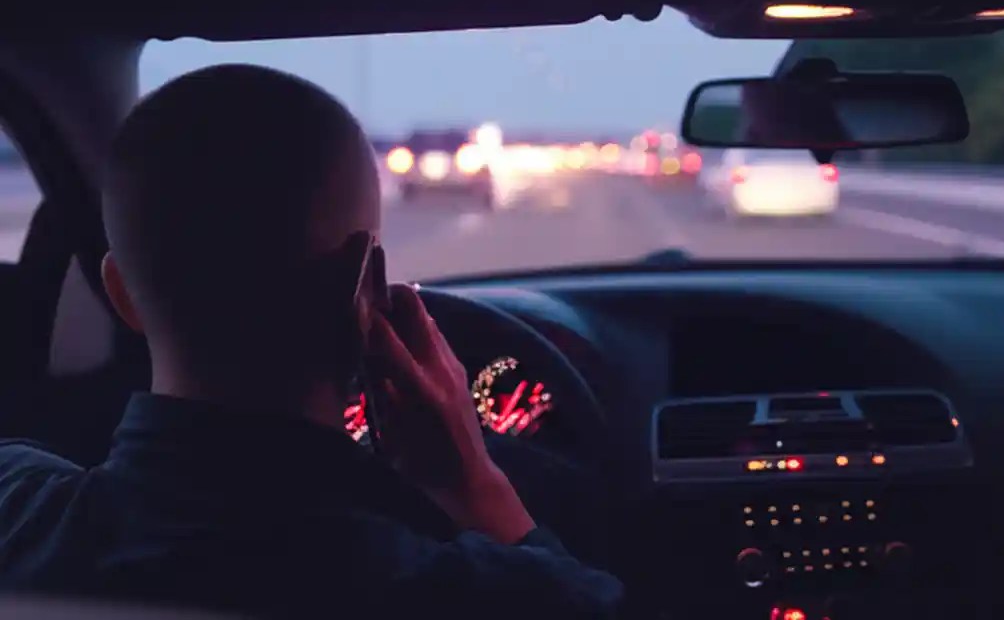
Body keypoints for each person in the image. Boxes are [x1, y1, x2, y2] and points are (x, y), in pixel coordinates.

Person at [0, 65, 622, 617]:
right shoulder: (490, 595)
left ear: (122, 294)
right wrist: (476, 483)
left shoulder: (18, 515)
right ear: (365, 287)